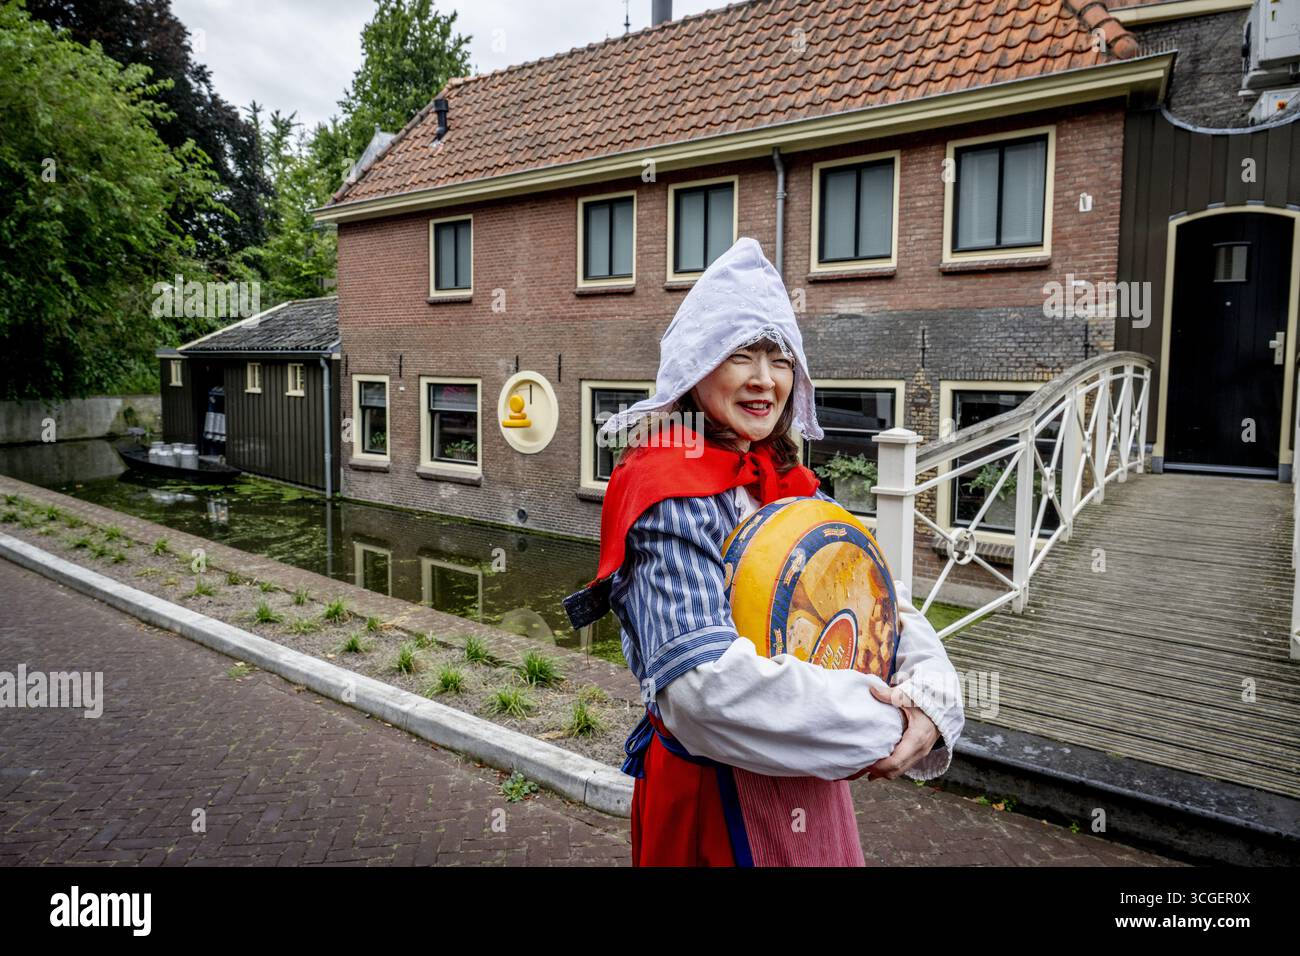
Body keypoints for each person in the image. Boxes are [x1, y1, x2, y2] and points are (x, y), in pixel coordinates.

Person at [563, 237, 964, 867]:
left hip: (807, 785)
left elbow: (883, 608)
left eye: (779, 359)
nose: (763, 379)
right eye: (739, 355)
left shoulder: (790, 481)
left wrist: (932, 697)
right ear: (697, 367)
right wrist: (889, 724)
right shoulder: (665, 491)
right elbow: (703, 693)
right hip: (713, 802)